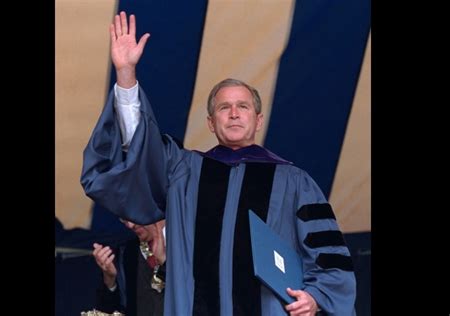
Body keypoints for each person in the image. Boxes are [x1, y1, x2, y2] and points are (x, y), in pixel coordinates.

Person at [81, 11, 356, 316]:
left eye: (243, 106)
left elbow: (330, 256)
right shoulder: (185, 172)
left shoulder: (295, 182)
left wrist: (315, 297)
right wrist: (126, 75)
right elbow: (142, 147)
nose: (234, 113)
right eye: (224, 107)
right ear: (211, 123)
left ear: (259, 119)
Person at [92, 219, 166, 316]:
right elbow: (110, 311)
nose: (130, 225)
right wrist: (110, 280)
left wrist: (165, 263)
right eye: (123, 219)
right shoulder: (126, 253)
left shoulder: (187, 245)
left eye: (134, 215)